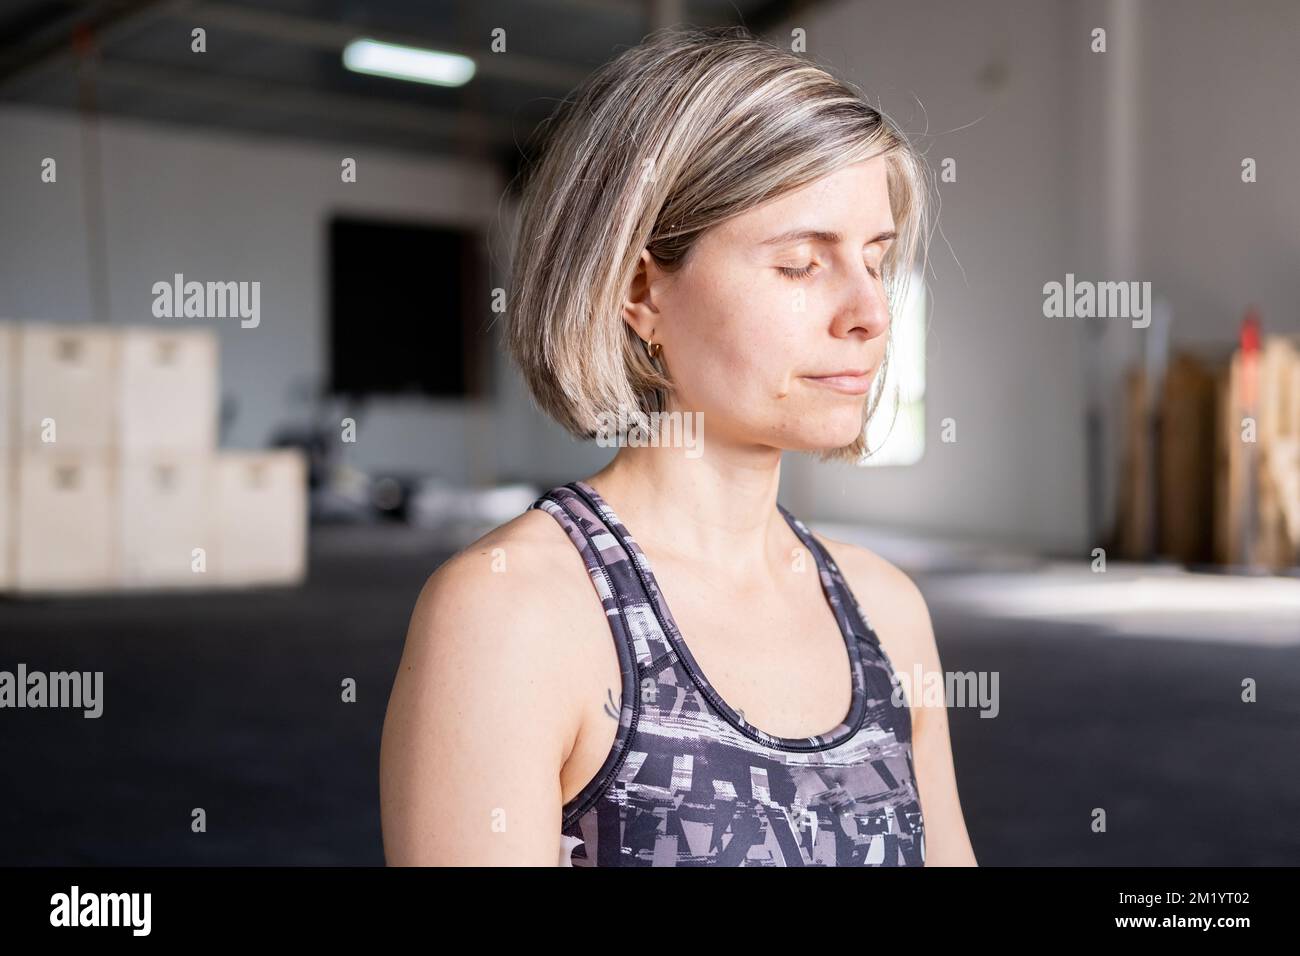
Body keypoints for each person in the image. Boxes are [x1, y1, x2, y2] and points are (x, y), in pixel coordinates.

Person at [380, 24, 976, 867]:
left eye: (875, 261)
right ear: (640, 290)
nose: (870, 313)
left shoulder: (887, 611)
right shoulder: (510, 615)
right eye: (802, 264)